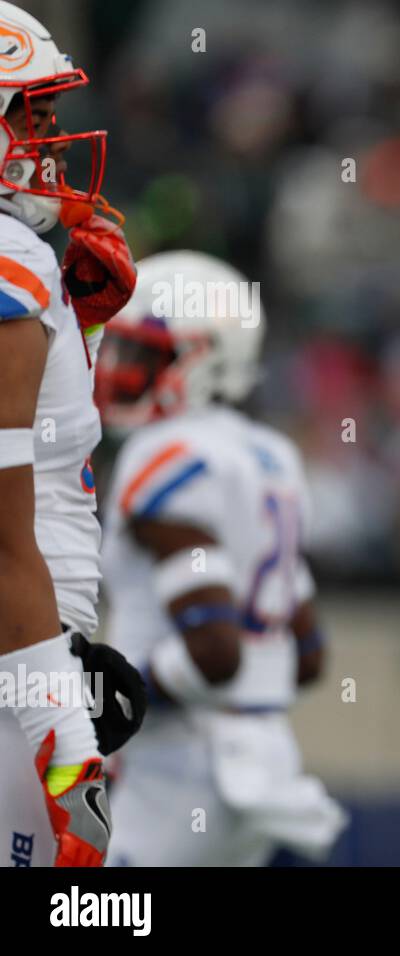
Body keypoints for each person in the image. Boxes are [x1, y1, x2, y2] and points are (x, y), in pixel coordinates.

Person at [95, 250, 346, 866]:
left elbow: (213, 650)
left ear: (200, 358)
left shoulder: (168, 455)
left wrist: (109, 694)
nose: (122, 368)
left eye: (143, 353)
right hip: (263, 761)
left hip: (175, 769)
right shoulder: (271, 457)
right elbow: (307, 655)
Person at [0, 0, 140, 868]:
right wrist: (61, 731)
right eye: (31, 115)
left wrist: (74, 334)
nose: (51, 141)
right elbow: (3, 531)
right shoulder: (10, 263)